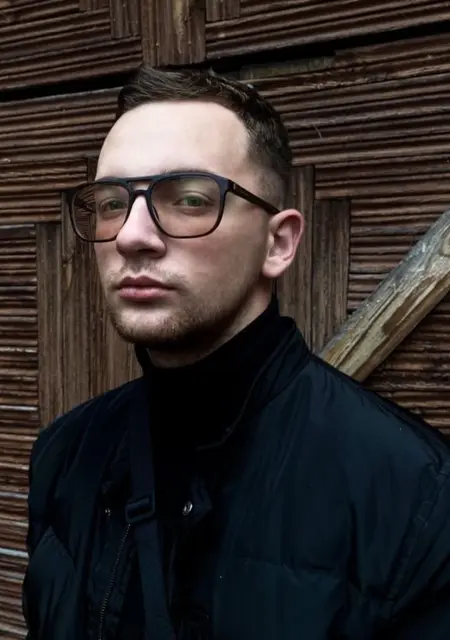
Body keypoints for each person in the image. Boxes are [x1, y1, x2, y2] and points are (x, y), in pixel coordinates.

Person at [23, 66, 450, 640]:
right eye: (110, 203)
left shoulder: (417, 495)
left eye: (190, 199)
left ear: (278, 243)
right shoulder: (64, 455)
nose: (130, 235)